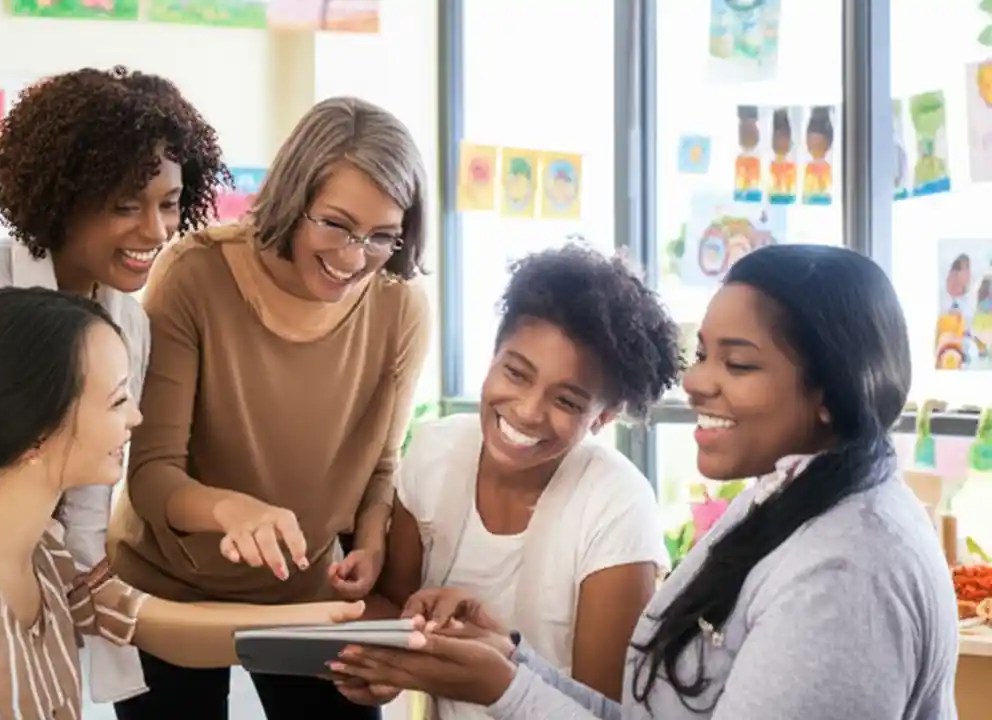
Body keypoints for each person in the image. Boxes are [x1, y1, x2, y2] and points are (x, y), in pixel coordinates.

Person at [329, 245, 960, 719]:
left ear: (830, 393)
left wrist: (502, 685)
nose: (697, 383)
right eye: (703, 353)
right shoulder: (783, 504)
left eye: (737, 363)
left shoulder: (845, 576)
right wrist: (508, 659)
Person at [0, 287, 365, 718]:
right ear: (35, 430)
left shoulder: (44, 556)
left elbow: (158, 624)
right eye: (118, 399)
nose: (136, 419)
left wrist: (330, 627)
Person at [0, 66, 229, 703]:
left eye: (169, 204)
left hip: (47, 589)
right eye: (126, 205)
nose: (155, 231)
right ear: (62, 196)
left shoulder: (129, 319)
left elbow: (90, 514)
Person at [110, 96, 430, 719]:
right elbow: (151, 477)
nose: (353, 256)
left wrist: (368, 543)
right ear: (292, 198)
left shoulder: (400, 306)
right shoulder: (194, 275)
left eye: (382, 235)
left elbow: (380, 465)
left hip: (305, 601)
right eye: (335, 224)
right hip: (170, 589)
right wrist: (233, 510)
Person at [363, 244, 679, 718]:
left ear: (603, 417)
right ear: (493, 354)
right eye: (516, 372)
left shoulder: (616, 503)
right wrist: (380, 668)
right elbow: (391, 606)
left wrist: (495, 669)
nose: (528, 411)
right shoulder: (436, 452)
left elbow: (604, 711)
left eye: (568, 401)